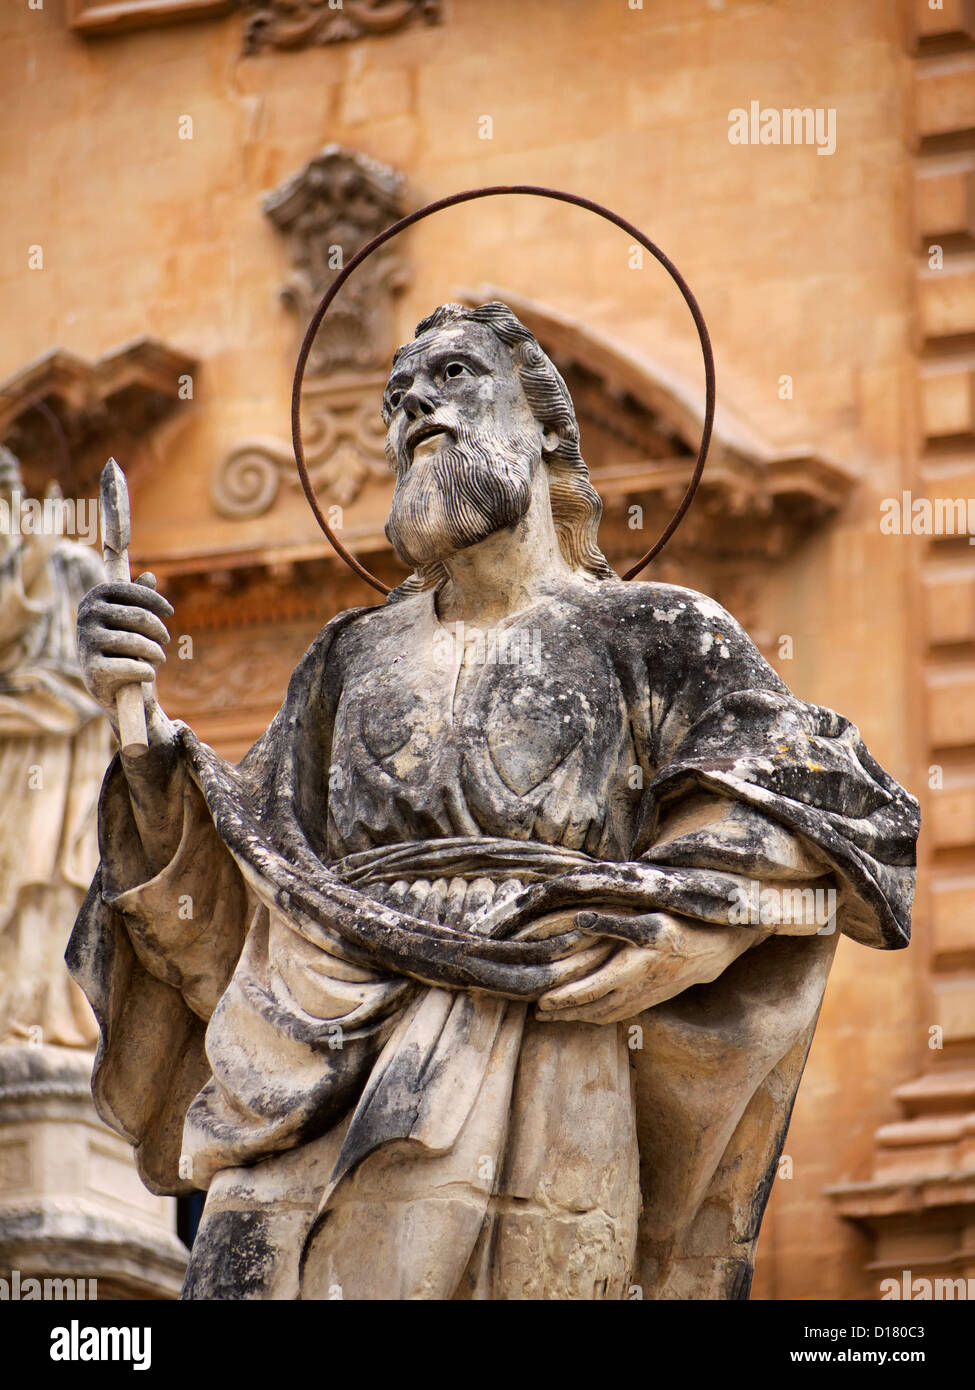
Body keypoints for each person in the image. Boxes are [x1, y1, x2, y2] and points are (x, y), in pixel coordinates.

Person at [68, 303, 918, 1299]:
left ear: (548, 427)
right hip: (324, 1051)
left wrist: (668, 920)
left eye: (457, 375)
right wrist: (135, 728)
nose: (417, 401)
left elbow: (837, 807)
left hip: (552, 1055)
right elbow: (254, 869)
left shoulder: (654, 630)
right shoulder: (349, 654)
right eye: (399, 395)